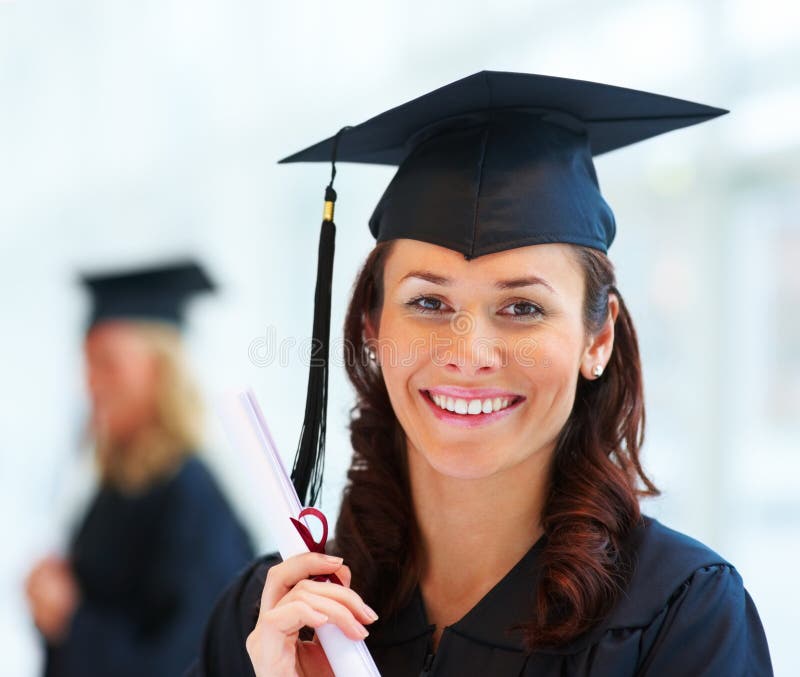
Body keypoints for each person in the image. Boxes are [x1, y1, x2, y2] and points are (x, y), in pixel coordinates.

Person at [189, 72, 773, 676]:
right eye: (428, 303)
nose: (470, 355)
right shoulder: (277, 621)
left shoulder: (681, 619)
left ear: (597, 338)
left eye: (523, 308)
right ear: (372, 326)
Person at [25, 260, 255, 677]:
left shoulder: (192, 498)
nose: (90, 384)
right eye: (87, 364)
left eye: (108, 363)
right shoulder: (117, 486)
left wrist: (70, 618)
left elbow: (190, 660)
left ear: (161, 371)